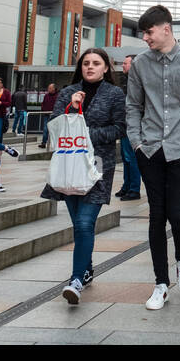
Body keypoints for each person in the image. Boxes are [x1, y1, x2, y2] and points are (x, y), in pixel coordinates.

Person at [125, 5, 180, 311]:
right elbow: (133, 106)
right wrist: (135, 142)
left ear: (166, 29)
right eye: (143, 33)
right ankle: (161, 284)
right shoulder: (139, 65)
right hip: (148, 149)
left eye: (149, 32)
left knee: (177, 213)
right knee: (156, 215)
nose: (145, 38)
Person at [41, 48, 126, 305]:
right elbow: (54, 125)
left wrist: (87, 134)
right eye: (86, 63)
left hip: (98, 166)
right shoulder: (68, 92)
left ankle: (76, 280)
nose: (90, 67)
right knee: (78, 222)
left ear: (105, 68)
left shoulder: (114, 94)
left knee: (85, 223)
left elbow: (120, 128)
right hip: (69, 166)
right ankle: (87, 269)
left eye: (96, 63)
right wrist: (72, 108)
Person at [115, 55, 141, 199]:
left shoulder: (136, 81)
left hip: (132, 127)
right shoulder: (128, 81)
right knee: (126, 158)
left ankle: (134, 189)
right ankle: (127, 186)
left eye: (125, 63)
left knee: (132, 159)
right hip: (125, 125)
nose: (123, 66)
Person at [39, 82, 58, 148]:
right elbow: (43, 103)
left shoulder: (58, 96)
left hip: (54, 115)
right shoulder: (46, 95)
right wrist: (43, 110)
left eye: (50, 88)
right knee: (45, 129)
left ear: (54, 89)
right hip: (46, 114)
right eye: (48, 88)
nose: (48, 89)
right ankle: (44, 143)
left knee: (55, 130)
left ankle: (56, 144)